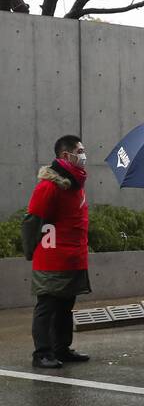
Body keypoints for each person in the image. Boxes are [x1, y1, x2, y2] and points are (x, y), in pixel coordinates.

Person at [23, 135, 91, 369]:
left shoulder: (75, 184)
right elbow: (32, 221)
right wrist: (31, 251)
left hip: (72, 257)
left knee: (65, 307)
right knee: (47, 307)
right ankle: (41, 353)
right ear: (66, 155)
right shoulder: (49, 186)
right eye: (79, 151)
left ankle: (61, 348)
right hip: (52, 259)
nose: (83, 155)